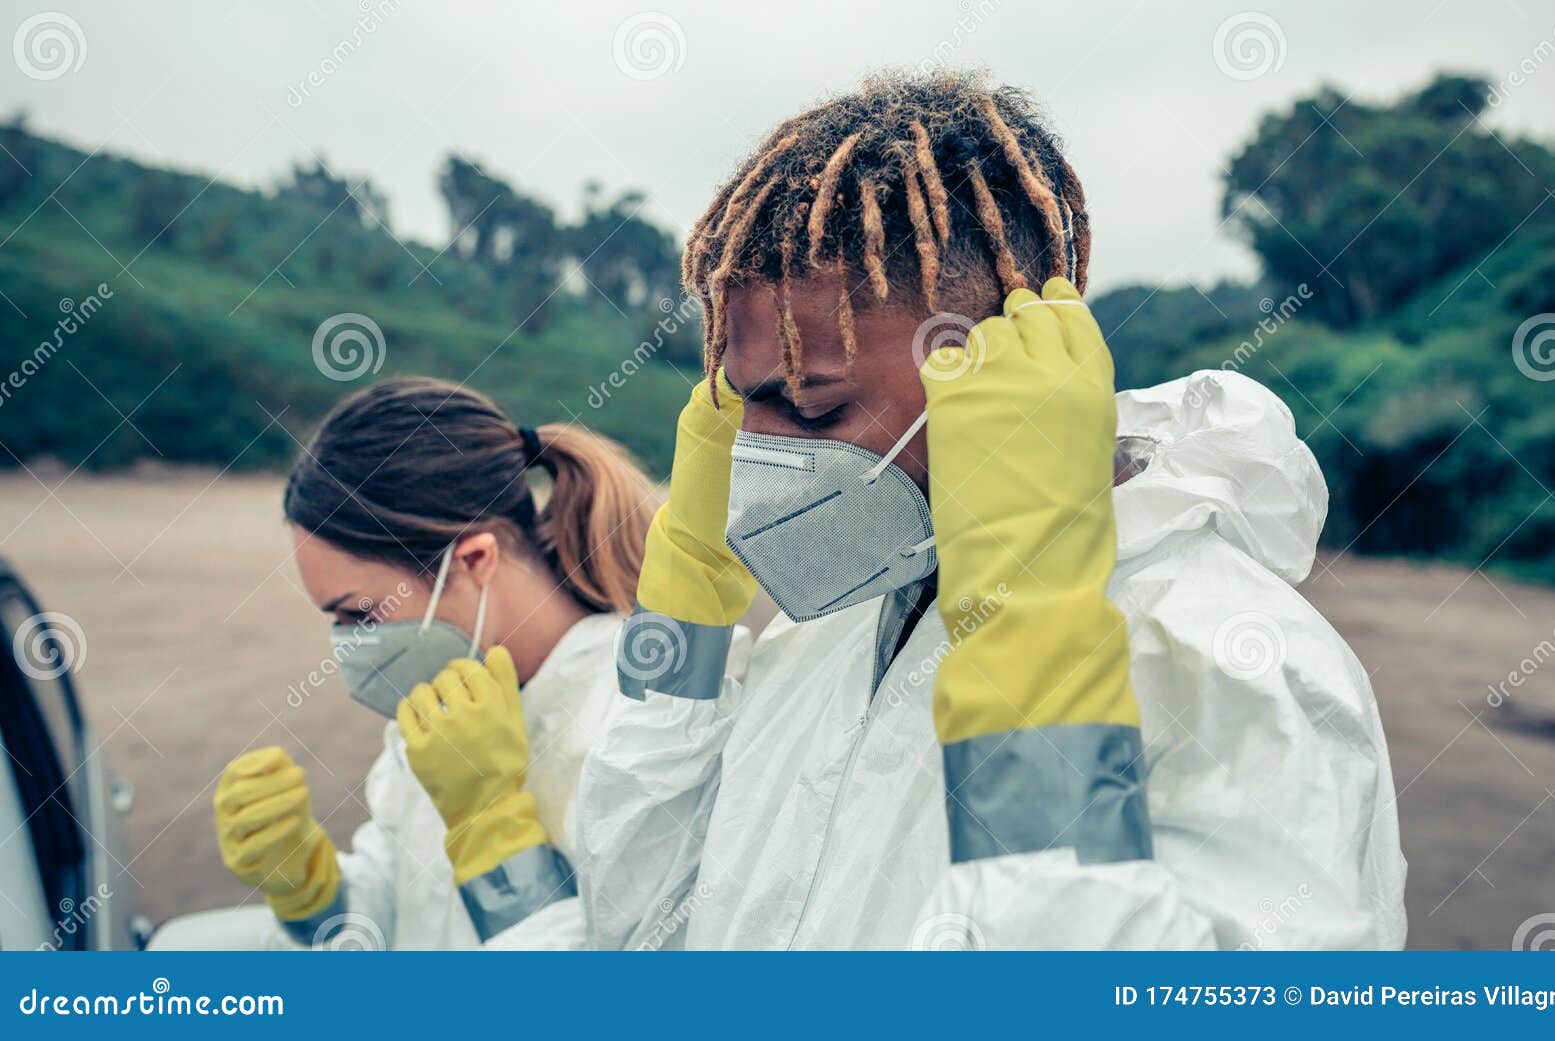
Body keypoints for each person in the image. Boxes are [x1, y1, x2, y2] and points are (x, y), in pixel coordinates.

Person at [576, 71, 1408, 949]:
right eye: (742, 405)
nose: (761, 450)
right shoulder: (826, 632)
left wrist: (1036, 687)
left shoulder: (1234, 657)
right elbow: (637, 928)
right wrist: (679, 636)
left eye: (813, 406)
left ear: (991, 363)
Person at [210, 376, 659, 949]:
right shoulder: (445, 705)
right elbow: (402, 908)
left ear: (473, 560)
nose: (348, 645)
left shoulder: (640, 725)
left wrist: (494, 837)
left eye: (362, 616)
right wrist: (314, 898)